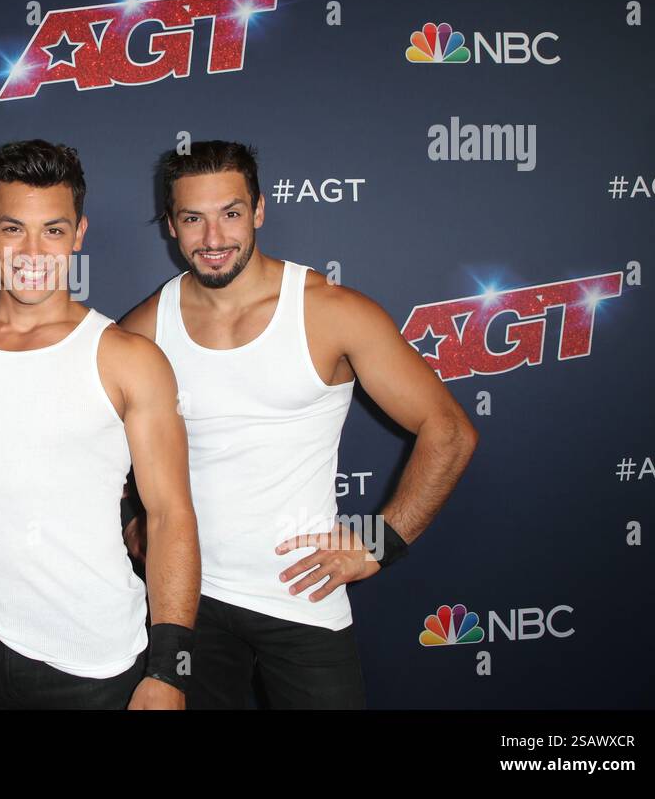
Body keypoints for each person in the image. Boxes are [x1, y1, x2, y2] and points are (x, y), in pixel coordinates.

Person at [120, 140, 477, 709]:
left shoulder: (330, 311)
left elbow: (450, 430)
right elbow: (101, 449)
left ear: (259, 210)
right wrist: (132, 517)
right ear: (171, 225)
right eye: (194, 219)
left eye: (230, 214)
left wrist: (381, 543)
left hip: (302, 598)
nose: (213, 239)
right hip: (188, 604)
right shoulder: (143, 329)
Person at [0, 140, 200, 709]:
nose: (34, 251)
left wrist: (167, 670)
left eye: (55, 230)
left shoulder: (127, 359)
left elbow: (170, 516)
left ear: (79, 234)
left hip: (94, 657)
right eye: (15, 229)